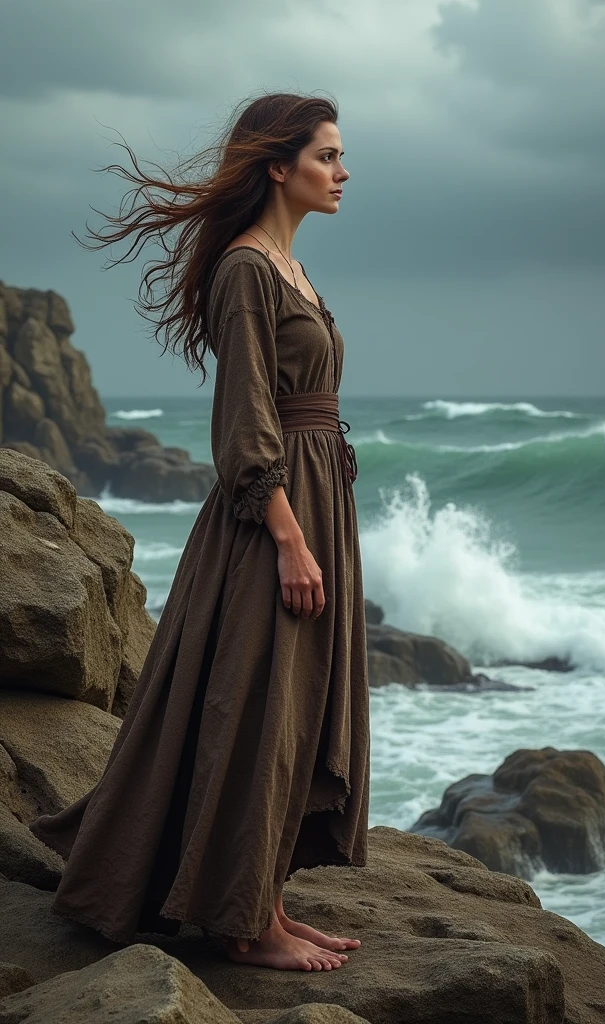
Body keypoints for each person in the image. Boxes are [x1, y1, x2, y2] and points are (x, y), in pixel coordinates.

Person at [29, 91, 370, 972]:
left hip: (318, 504)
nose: (342, 172)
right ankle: (240, 924)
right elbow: (246, 426)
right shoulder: (248, 271)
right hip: (276, 519)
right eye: (327, 156)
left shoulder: (291, 270)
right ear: (276, 166)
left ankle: (264, 903)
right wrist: (290, 536)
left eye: (340, 156)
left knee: (289, 712)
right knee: (256, 710)